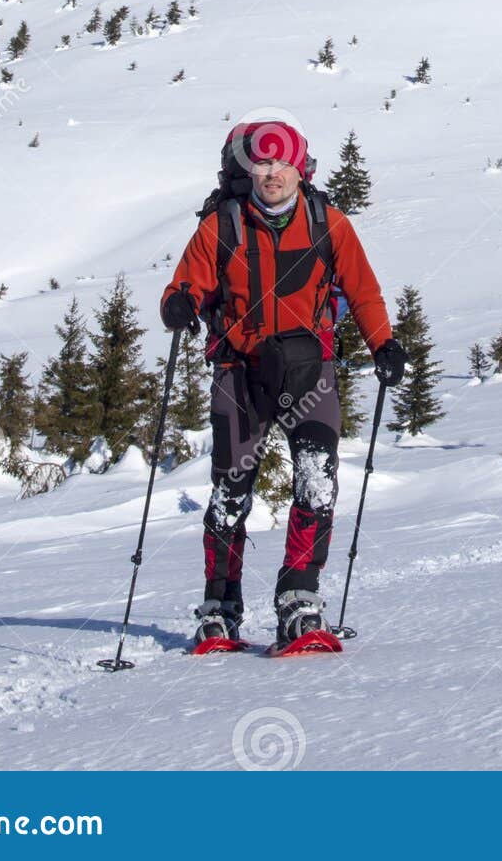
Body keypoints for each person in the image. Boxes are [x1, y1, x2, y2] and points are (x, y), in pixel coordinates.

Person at [160, 117, 405, 649]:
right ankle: (220, 607)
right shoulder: (220, 226)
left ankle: (300, 598)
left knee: (316, 483)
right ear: (249, 167)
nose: (273, 173)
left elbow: (363, 291)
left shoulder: (329, 224)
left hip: (309, 369)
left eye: (283, 163)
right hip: (238, 370)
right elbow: (182, 287)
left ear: (302, 169)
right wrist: (180, 303)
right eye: (263, 162)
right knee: (230, 492)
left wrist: (383, 344)